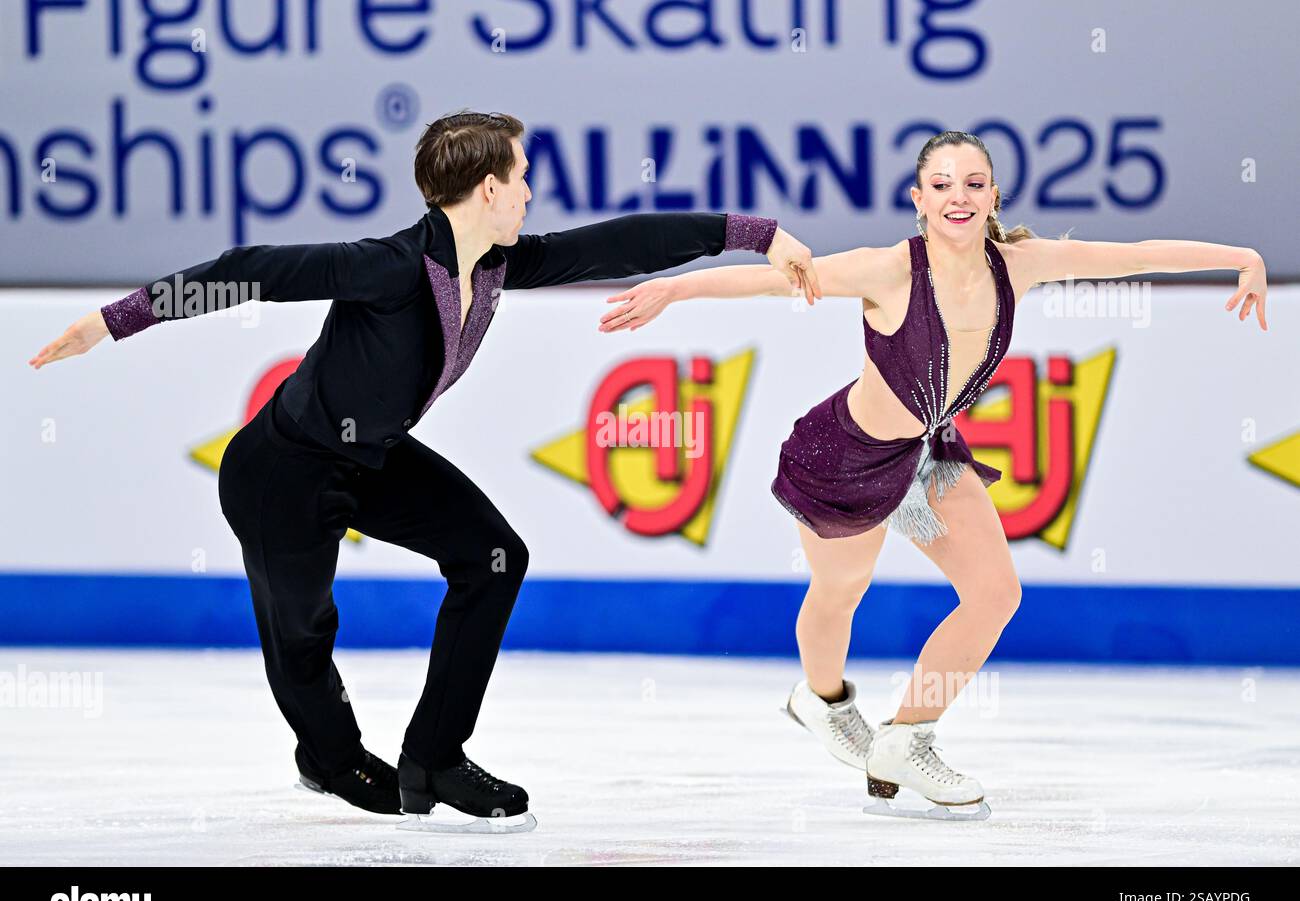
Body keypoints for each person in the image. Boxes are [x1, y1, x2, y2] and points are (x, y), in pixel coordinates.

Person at [27, 109, 822, 834]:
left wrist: (757, 233)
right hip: (284, 471)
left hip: (368, 458)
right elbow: (252, 268)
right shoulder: (389, 266)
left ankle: (435, 757)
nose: (532, 191)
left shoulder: (501, 264)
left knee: (493, 557)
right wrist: (112, 321)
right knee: (305, 635)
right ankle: (330, 757)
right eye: (522, 176)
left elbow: (617, 243)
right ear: (488, 188)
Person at [596, 130, 1269, 821]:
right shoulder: (889, 269)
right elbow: (776, 280)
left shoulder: (1021, 264)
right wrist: (675, 290)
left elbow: (1134, 256)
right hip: (846, 459)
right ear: (919, 199)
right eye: (942, 184)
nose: (959, 197)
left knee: (995, 593)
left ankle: (906, 738)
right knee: (840, 590)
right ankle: (821, 702)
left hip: (931, 454)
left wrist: (1242, 256)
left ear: (993, 196)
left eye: (974, 184)